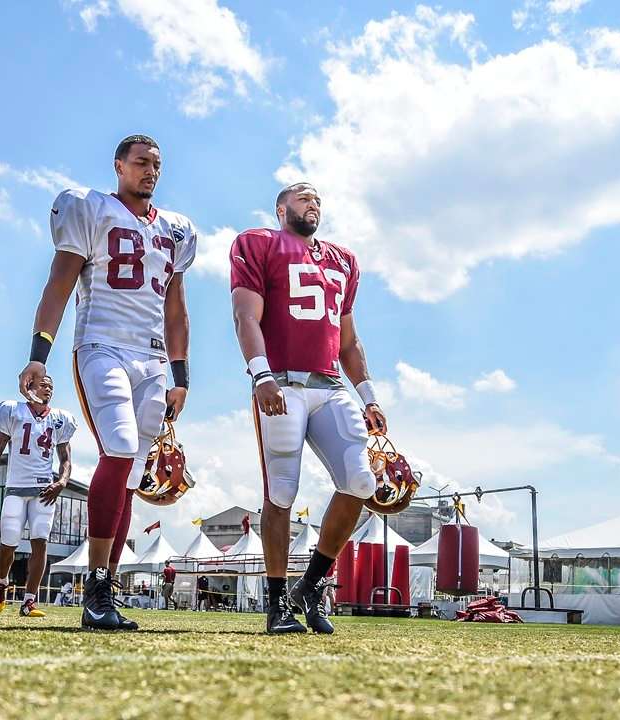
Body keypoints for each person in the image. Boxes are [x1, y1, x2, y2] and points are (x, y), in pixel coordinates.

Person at [19, 135, 196, 631]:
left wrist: (181, 373)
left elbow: (176, 308)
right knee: (117, 450)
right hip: (102, 345)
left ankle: (106, 590)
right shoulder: (91, 209)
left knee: (133, 475)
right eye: (141, 163)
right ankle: (96, 584)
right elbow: (59, 283)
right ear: (118, 165)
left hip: (154, 359)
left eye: (156, 165)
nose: (150, 172)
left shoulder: (176, 230)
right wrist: (39, 356)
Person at [229, 182, 387, 635]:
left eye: (317, 197)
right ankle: (277, 602)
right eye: (301, 196)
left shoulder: (343, 261)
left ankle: (311, 584)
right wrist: (260, 374)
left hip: (331, 384)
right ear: (281, 209)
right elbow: (246, 316)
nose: (312, 202)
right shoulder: (258, 242)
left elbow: (349, 341)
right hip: (281, 381)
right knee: (281, 491)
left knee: (360, 480)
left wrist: (369, 396)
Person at [0, 376, 77, 619]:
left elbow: (65, 458)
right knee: (9, 542)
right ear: (28, 388)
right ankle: (1, 583)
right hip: (16, 487)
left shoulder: (60, 419)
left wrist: (62, 482)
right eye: (43, 385)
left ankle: (29, 602)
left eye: (51, 386)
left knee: (40, 542)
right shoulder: (12, 412)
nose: (48, 389)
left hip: (43, 490)